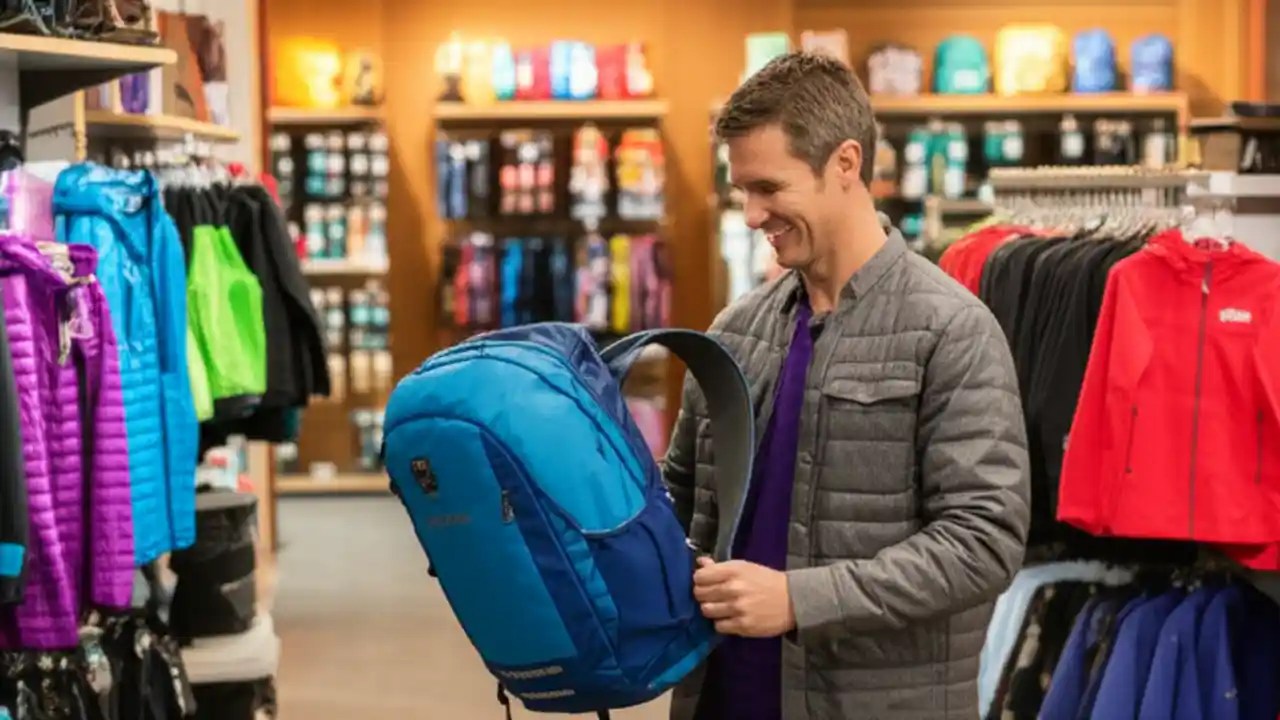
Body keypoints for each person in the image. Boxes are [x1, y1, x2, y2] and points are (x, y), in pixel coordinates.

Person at [662, 52, 1031, 720]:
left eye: (769, 188)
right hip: (722, 698)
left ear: (845, 163)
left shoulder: (950, 331)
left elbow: (984, 541)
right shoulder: (735, 333)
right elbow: (682, 496)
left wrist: (800, 599)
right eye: (742, 189)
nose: (750, 214)